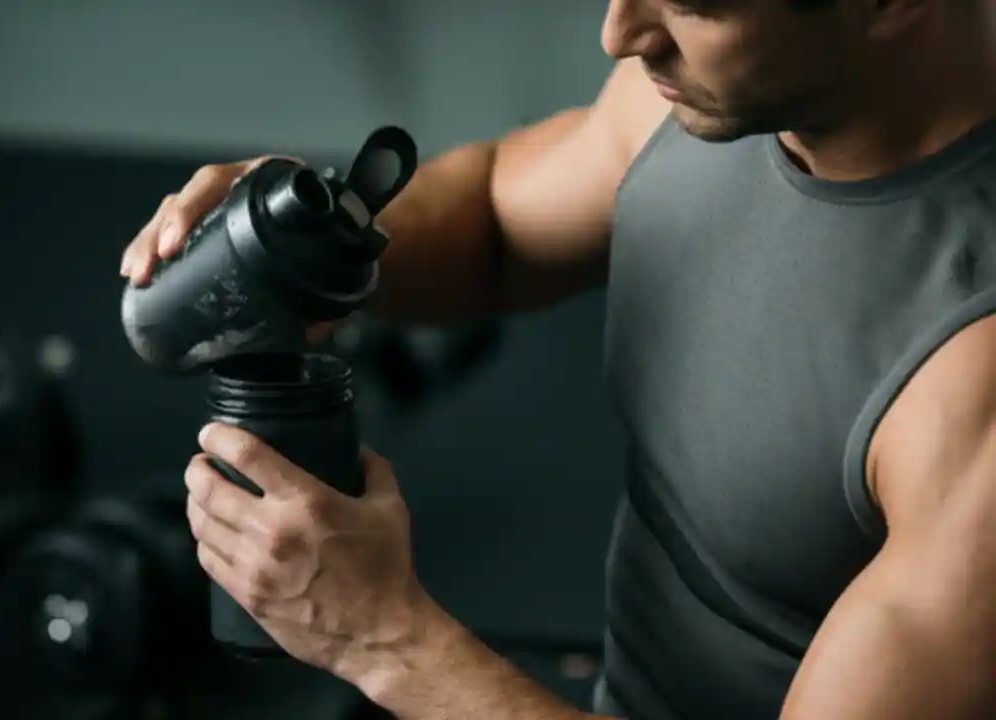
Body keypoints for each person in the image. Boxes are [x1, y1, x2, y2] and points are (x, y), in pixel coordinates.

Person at [119, 0, 996, 717]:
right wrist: (318, 240)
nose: (620, 33)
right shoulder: (715, 89)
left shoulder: (971, 390)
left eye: (692, 4)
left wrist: (383, 639)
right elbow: (499, 221)